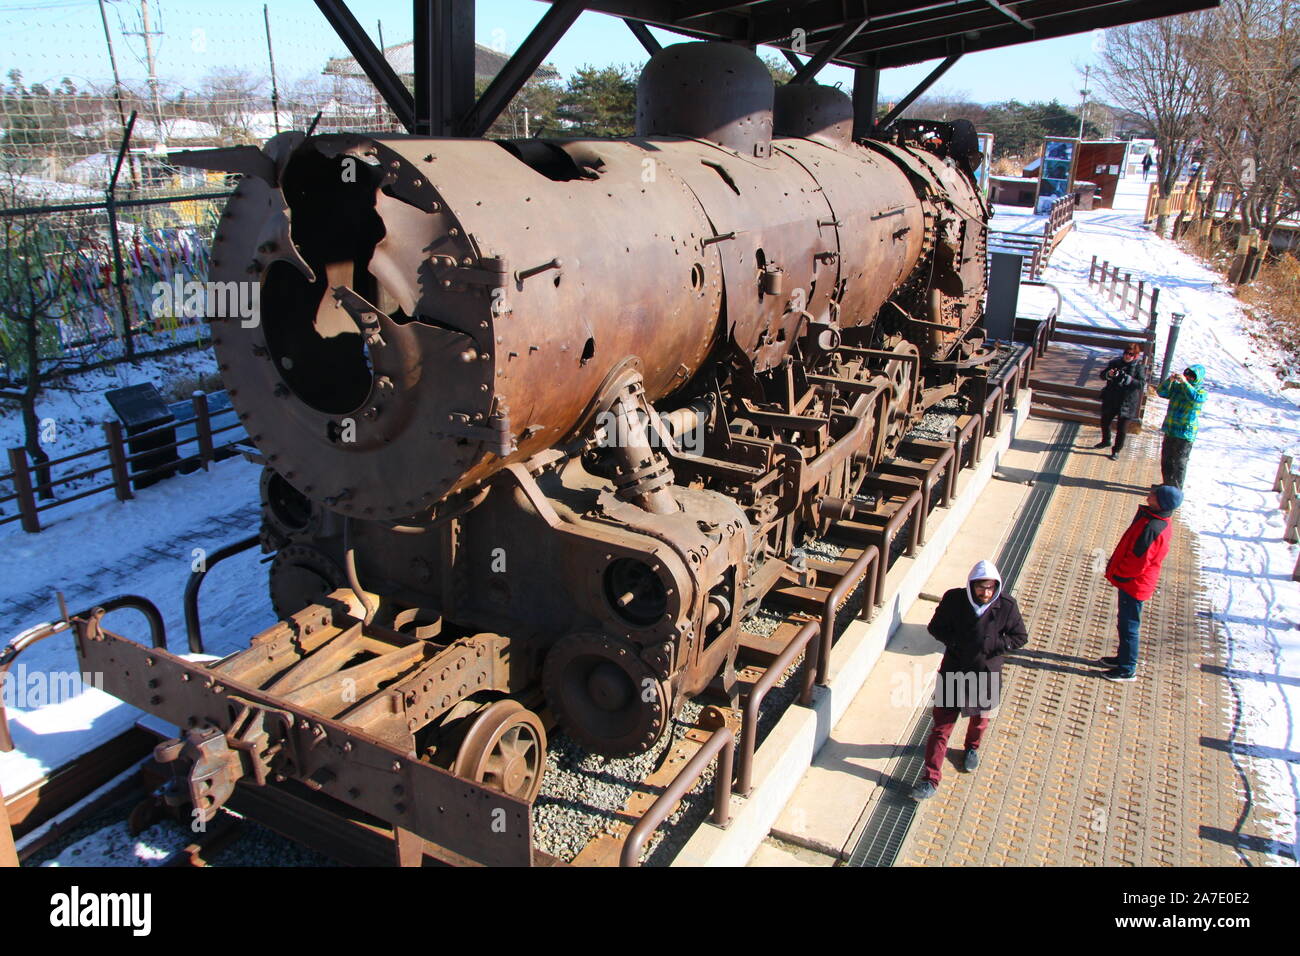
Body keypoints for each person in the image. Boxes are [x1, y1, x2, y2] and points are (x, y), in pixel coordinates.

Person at [911, 560, 1029, 800]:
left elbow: (1019, 637)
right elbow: (936, 627)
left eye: (990, 588)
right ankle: (931, 778)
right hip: (954, 670)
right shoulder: (954, 600)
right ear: (971, 585)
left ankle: (972, 748)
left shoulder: (1006, 606)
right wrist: (956, 642)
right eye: (980, 588)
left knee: (980, 719)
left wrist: (993, 645)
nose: (986, 593)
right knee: (941, 728)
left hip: (985, 673)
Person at [1101, 485, 1182, 681]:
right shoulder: (1155, 520)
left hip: (1134, 585)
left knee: (1128, 626)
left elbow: (1139, 560)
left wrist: (1120, 575)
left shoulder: (1153, 528)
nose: (1149, 495)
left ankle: (1127, 668)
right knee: (1126, 623)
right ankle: (1123, 659)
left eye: (1153, 494)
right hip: (1135, 583)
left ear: (1161, 502)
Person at [1156, 363, 1208, 489]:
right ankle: (1167, 485)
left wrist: (1185, 383)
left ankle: (1176, 490)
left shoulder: (1201, 392)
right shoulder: (1178, 387)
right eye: (1187, 374)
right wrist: (1170, 380)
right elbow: (1161, 392)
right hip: (1171, 428)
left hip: (1185, 432)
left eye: (1192, 376)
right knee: (1166, 460)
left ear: (1198, 378)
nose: (1188, 377)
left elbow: (1194, 398)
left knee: (1179, 462)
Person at [1093, 342, 1147, 460]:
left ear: (1136, 356)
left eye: (1131, 354)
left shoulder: (1138, 367)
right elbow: (1102, 375)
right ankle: (1106, 440)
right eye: (1126, 353)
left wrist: (1128, 379)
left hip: (1127, 402)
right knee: (1105, 421)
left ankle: (1116, 450)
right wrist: (1109, 374)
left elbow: (1141, 384)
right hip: (1111, 398)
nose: (1127, 356)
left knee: (1122, 429)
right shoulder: (1115, 363)